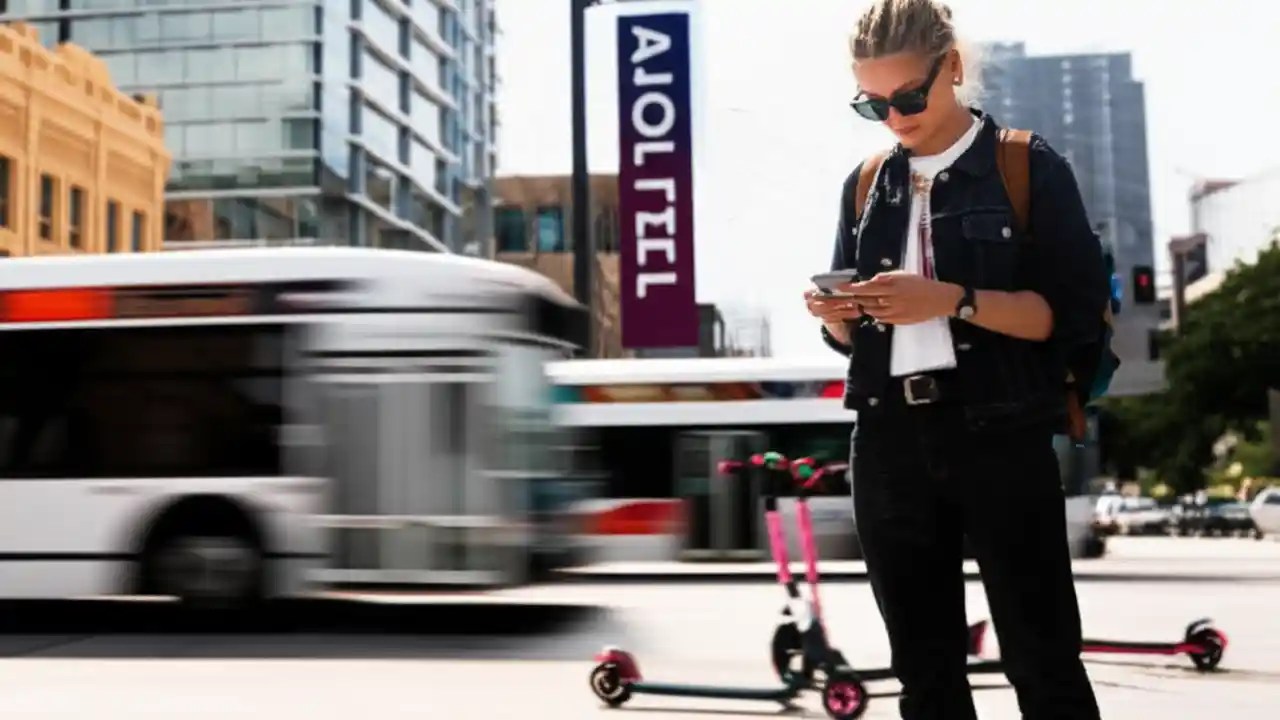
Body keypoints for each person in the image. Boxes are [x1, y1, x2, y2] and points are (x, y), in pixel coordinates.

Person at [803, 1, 1108, 718]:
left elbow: (1067, 318)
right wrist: (840, 318)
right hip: (887, 441)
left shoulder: (1025, 167)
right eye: (870, 104)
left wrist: (948, 299)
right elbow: (852, 341)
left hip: (1000, 433)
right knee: (924, 674)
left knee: (1043, 661)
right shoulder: (865, 184)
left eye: (908, 96)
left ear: (955, 68)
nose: (894, 117)